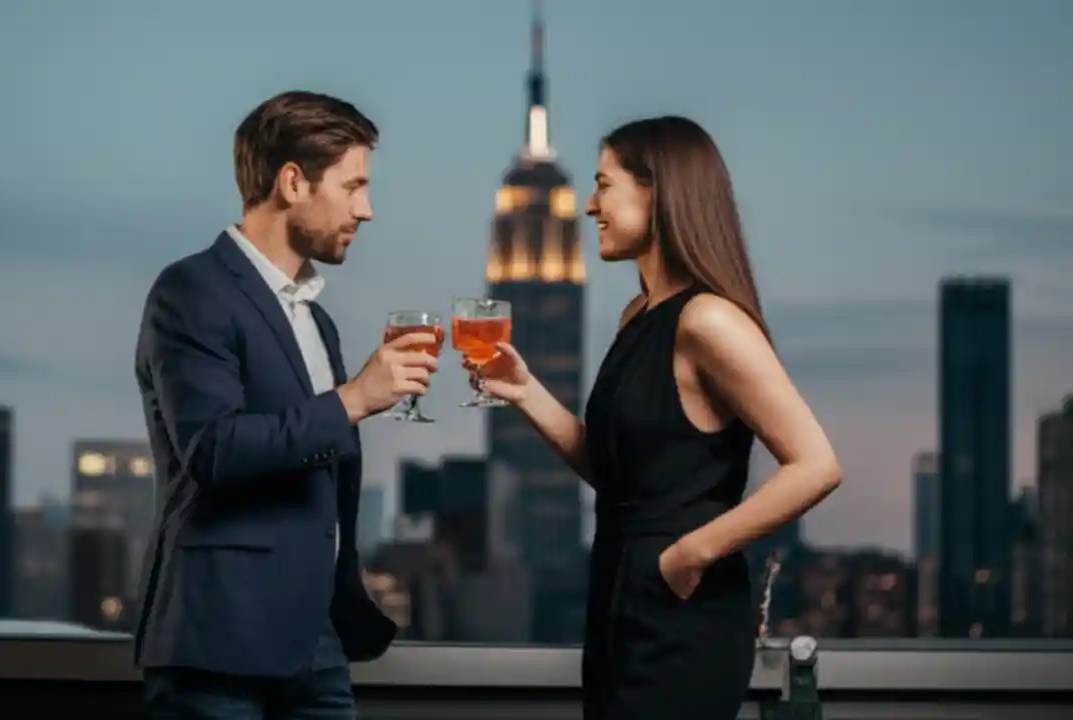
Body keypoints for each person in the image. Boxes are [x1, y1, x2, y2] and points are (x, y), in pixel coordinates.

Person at [473, 116, 843, 719]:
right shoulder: (637, 315)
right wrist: (526, 392)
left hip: (683, 605)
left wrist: (691, 554)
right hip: (619, 592)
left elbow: (817, 465)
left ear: (657, 193)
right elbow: (618, 474)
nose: (589, 205)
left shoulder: (709, 320)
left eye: (604, 185)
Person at [131, 90, 439, 719]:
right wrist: (353, 399)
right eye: (353, 187)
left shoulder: (317, 321)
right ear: (293, 182)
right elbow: (213, 449)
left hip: (316, 642)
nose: (367, 210)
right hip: (220, 641)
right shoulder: (191, 290)